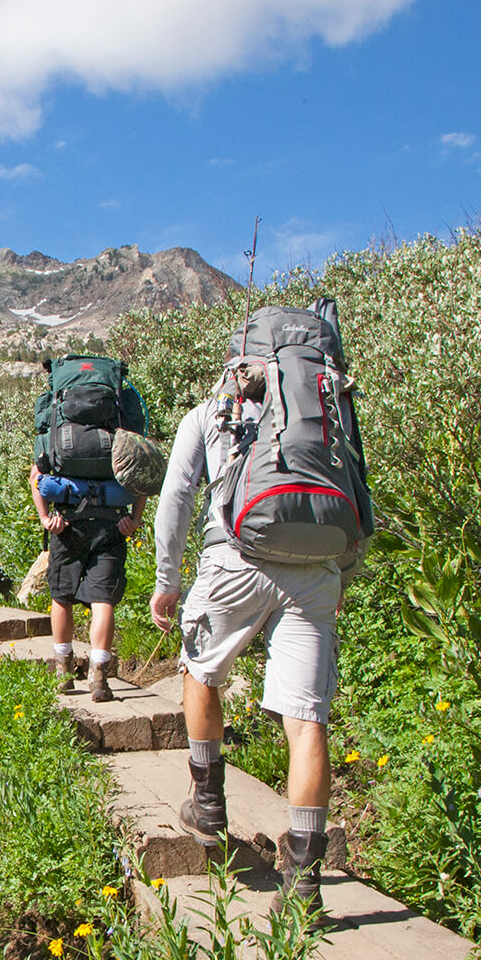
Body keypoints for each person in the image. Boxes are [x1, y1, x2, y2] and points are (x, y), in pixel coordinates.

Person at [148, 338, 352, 915]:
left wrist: (167, 581)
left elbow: (175, 499)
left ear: (238, 368)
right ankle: (305, 880)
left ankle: (208, 801)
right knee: (307, 717)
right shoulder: (324, 413)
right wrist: (341, 573)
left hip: (234, 559)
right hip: (316, 570)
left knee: (201, 672)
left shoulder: (210, 414)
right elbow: (354, 493)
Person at [30, 465, 144, 702]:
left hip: (67, 524)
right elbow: (140, 473)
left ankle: (63, 673)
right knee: (103, 600)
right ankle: (99, 677)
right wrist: (135, 519)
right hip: (112, 524)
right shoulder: (119, 430)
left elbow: (36, 477)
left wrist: (44, 518)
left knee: (62, 596)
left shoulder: (61, 430)